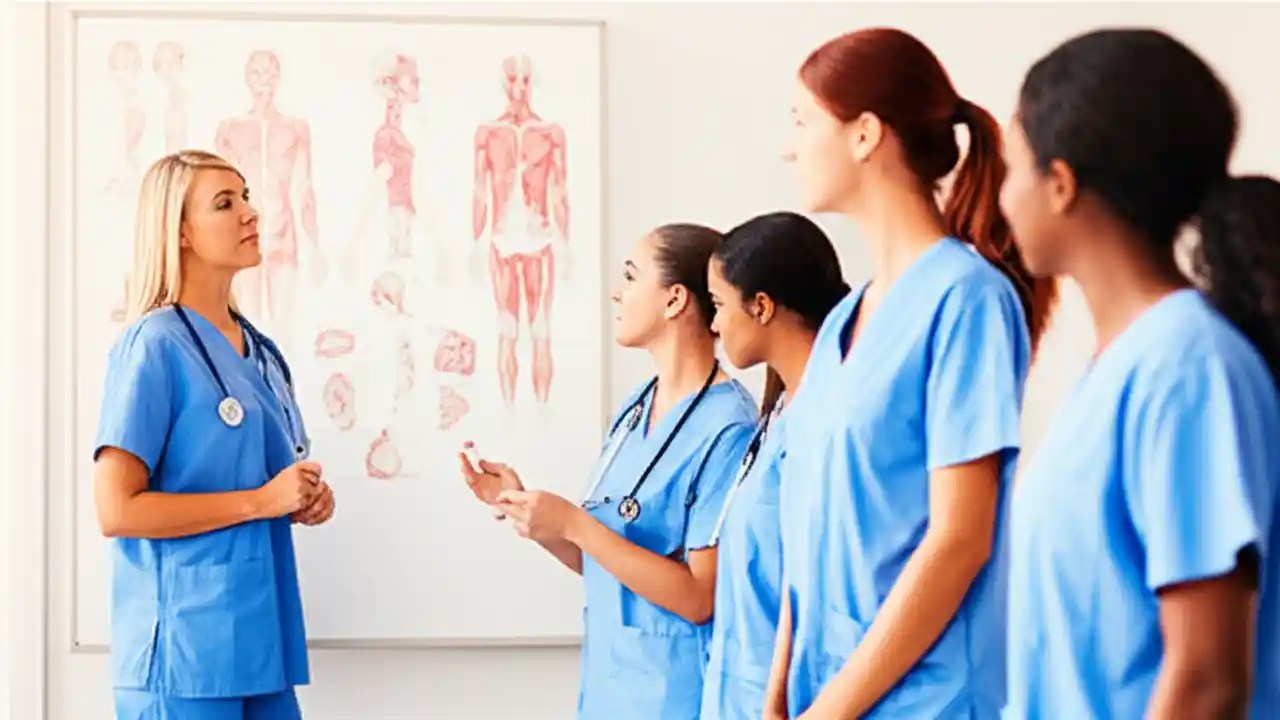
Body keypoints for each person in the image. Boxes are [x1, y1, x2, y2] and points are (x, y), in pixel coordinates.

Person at [760, 28, 1057, 719]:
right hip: (820, 693)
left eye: (803, 121)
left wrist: (829, 710)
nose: (788, 146)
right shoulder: (842, 323)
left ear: (865, 133)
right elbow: (809, 528)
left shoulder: (967, 300)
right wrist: (779, 695)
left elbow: (958, 540)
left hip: (927, 700)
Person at [1000, 28, 1280, 719]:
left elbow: (1208, 681)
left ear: (1060, 184)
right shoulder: (1123, 367)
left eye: (1012, 168)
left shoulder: (1188, 368)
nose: (1002, 197)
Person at [459, 223, 756, 719]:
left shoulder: (729, 428)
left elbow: (701, 598)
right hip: (608, 690)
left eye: (632, 276)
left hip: (674, 696)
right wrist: (528, 511)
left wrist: (573, 523)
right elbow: (599, 558)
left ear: (674, 299)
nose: (617, 292)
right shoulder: (637, 408)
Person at [92, 150, 335, 719]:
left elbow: (269, 475)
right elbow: (116, 511)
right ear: (179, 230)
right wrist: (260, 501)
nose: (250, 213)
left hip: (261, 645)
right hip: (183, 654)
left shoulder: (260, 351)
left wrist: (302, 499)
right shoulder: (152, 344)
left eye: (246, 196)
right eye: (225, 203)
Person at [699, 212, 849, 720]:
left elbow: (810, 579)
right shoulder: (779, 414)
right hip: (740, 691)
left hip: (791, 698)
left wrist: (776, 698)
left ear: (761, 306)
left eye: (718, 305)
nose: (714, 324)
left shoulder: (829, 416)